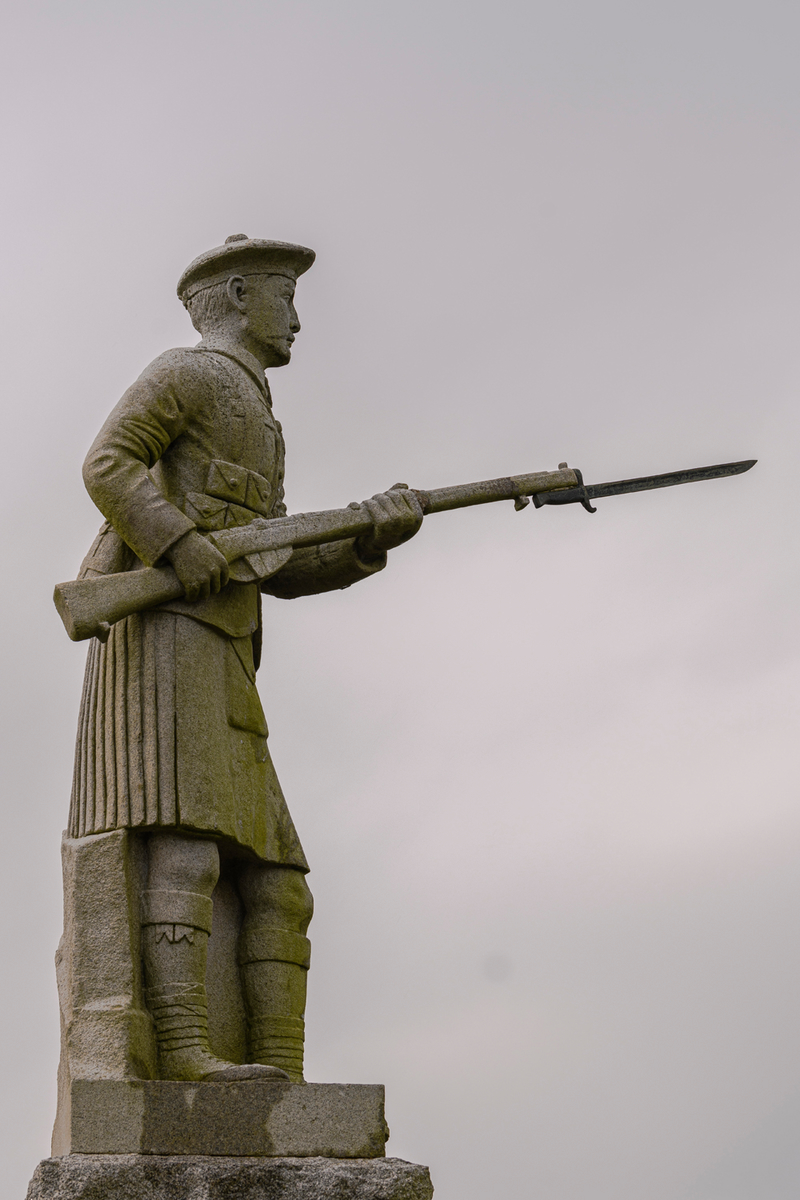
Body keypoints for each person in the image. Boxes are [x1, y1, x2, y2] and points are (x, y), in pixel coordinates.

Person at [69, 235, 423, 1083]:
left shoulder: (262, 417)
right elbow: (108, 463)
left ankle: (278, 1071)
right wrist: (177, 542)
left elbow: (273, 561)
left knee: (281, 885)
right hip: (164, 644)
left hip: (227, 652)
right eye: (284, 296)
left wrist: (368, 541)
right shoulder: (188, 374)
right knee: (187, 851)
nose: (296, 318)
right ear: (236, 295)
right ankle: (184, 1050)